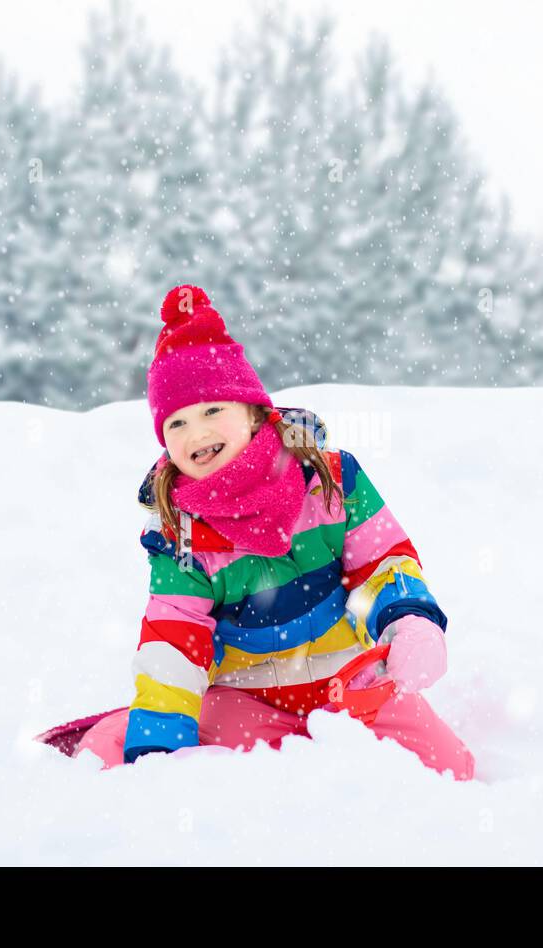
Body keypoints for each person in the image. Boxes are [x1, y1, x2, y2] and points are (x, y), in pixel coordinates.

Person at [72, 284, 475, 781]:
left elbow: (384, 562)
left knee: (450, 771)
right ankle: (129, 729)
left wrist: (410, 621)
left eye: (213, 410)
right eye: (176, 423)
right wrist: (160, 756)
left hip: (350, 682)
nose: (196, 433)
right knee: (238, 781)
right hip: (247, 698)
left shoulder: (330, 481)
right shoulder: (182, 535)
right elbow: (175, 641)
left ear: (254, 411)